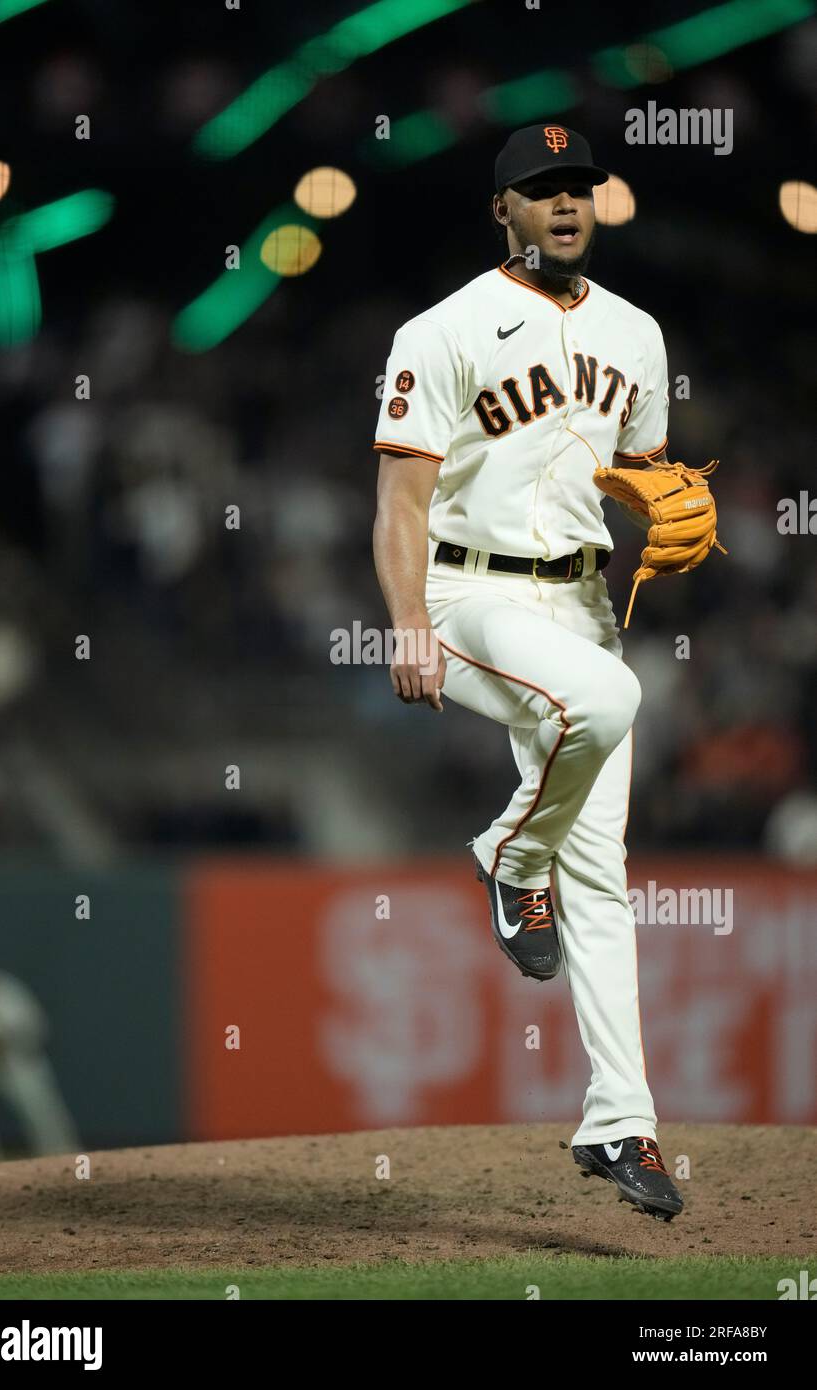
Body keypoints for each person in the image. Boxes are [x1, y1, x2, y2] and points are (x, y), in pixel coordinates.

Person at [372, 123, 684, 1219]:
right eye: (541, 190)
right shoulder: (442, 327)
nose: (564, 204)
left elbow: (632, 475)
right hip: (464, 595)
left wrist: (664, 506)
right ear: (498, 209)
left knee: (600, 872)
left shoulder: (636, 335)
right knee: (607, 697)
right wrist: (407, 622)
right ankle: (509, 854)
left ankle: (620, 1121)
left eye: (577, 189)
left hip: (577, 599)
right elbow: (401, 499)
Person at [0, 960, 78, 1162]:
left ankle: (65, 1158)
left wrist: (6, 1039)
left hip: (14, 1057)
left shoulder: (7, 989)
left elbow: (35, 1025)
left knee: (41, 1109)